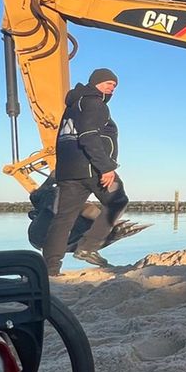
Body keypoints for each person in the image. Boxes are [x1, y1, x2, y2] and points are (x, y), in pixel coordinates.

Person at [41, 67, 130, 275]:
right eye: (108, 83)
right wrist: (106, 167)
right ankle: (88, 247)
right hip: (93, 168)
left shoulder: (72, 107)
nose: (112, 88)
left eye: (115, 85)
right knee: (118, 201)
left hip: (69, 171)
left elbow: (63, 140)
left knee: (63, 218)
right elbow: (89, 136)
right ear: (96, 83)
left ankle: (50, 269)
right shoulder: (95, 103)